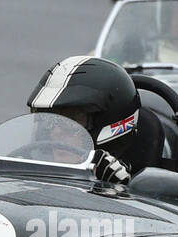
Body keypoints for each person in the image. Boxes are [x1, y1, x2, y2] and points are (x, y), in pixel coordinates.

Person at [25, 55, 167, 183]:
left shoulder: (141, 199)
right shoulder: (27, 173)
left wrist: (117, 189)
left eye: (72, 120)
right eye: (51, 119)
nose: (56, 132)